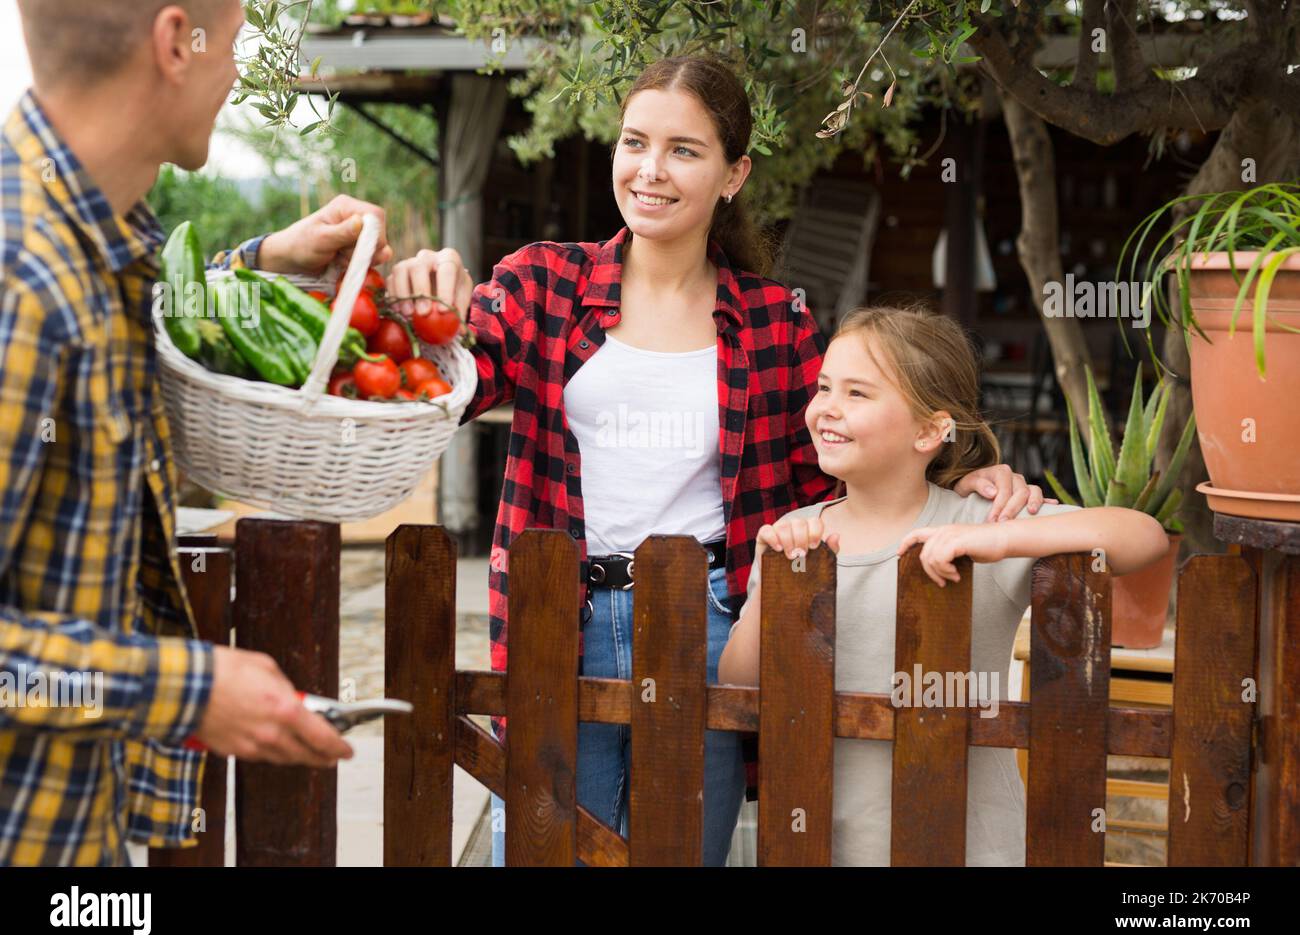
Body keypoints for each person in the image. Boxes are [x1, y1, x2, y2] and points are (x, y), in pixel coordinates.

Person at [393, 57, 1050, 865]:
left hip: (713, 622)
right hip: (554, 615)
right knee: (543, 850)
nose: (651, 170)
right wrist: (426, 310)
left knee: (683, 852)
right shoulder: (544, 284)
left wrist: (959, 478)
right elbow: (446, 382)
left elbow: (841, 472)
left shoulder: (776, 322)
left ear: (734, 173)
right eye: (635, 142)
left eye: (684, 150)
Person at [0, 0, 394, 865]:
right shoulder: (22, 284)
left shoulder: (84, 249)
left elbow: (152, 305)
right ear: (178, 43)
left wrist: (262, 261)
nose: (237, 76)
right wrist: (186, 687)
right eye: (238, 47)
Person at [719, 305, 1170, 865]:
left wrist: (1001, 541)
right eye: (824, 387)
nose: (827, 409)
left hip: (973, 845)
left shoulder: (979, 522)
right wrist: (772, 586)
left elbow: (1143, 537)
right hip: (823, 847)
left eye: (858, 394)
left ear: (931, 430)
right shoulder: (794, 534)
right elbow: (737, 688)